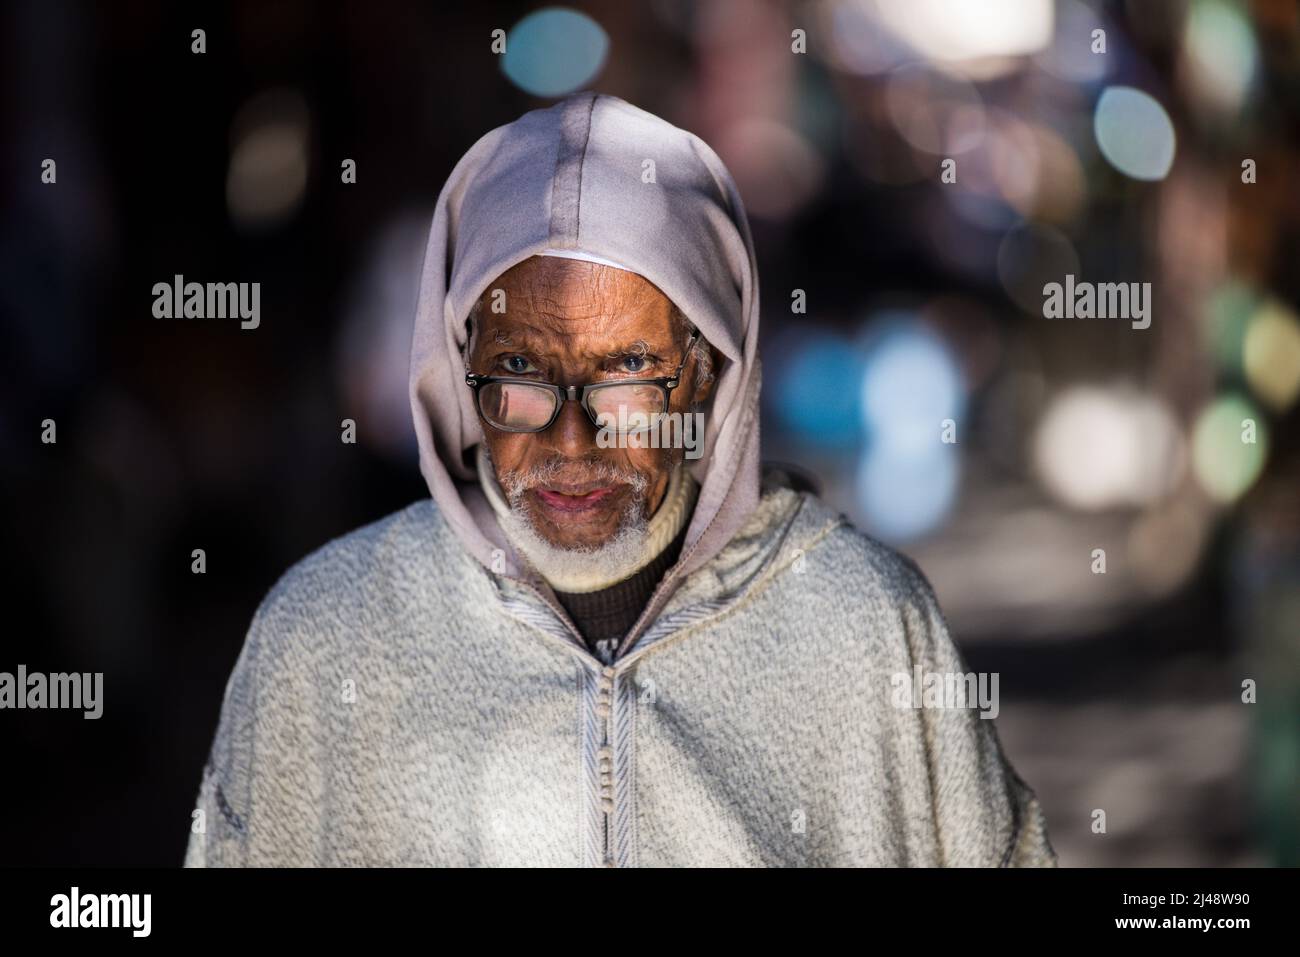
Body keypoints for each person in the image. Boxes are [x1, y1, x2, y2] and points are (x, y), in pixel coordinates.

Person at [183, 91, 1057, 867]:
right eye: (518, 368)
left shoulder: (866, 626)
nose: (573, 438)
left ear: (714, 366)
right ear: (459, 372)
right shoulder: (324, 633)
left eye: (630, 370)